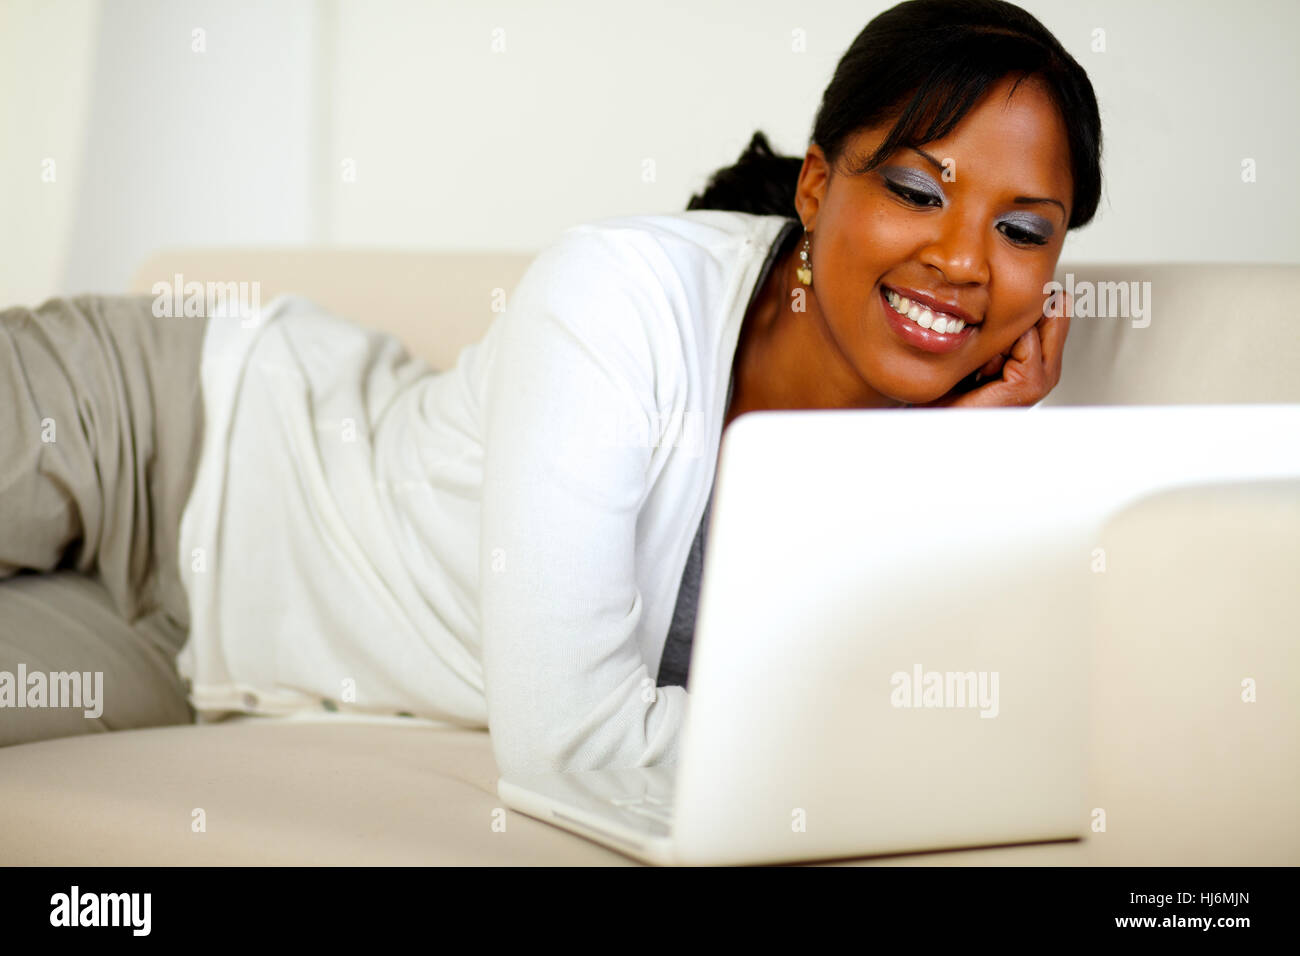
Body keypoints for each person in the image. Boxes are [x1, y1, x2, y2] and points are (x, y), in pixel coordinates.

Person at [0, 0, 1098, 770]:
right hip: (162, 421)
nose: (963, 259)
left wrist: (944, 466)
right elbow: (573, 741)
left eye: (1018, 229)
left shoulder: (940, 450)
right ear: (817, 185)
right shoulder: (616, 294)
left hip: (200, 655)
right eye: (916, 188)